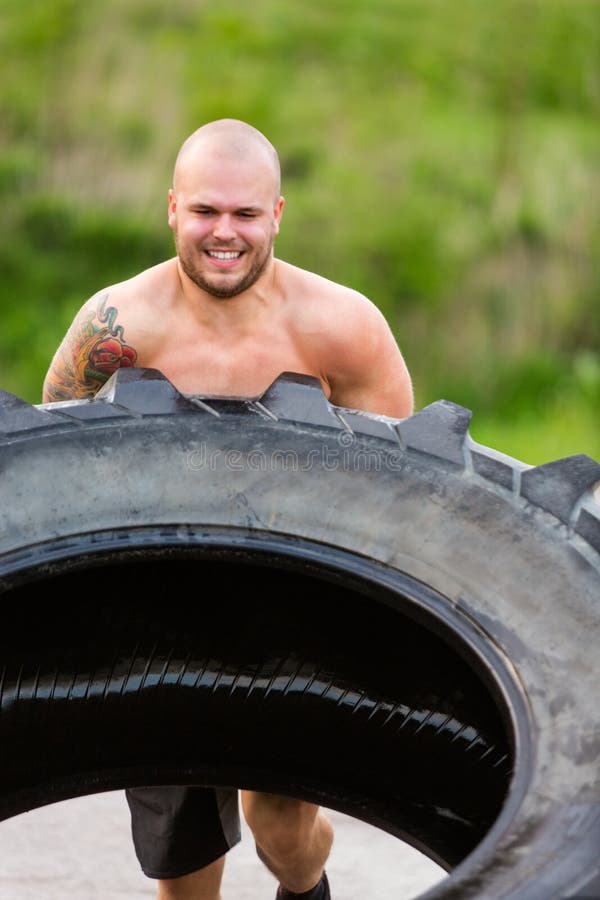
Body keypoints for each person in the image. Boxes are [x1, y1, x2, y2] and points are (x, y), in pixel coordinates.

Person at [42, 118, 414, 900]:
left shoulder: (342, 329)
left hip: (295, 604)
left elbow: (400, 496)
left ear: (277, 216)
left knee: (286, 835)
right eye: (206, 211)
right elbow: (49, 469)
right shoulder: (117, 324)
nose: (225, 233)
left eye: (245, 214)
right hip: (158, 612)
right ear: (172, 207)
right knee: (185, 869)